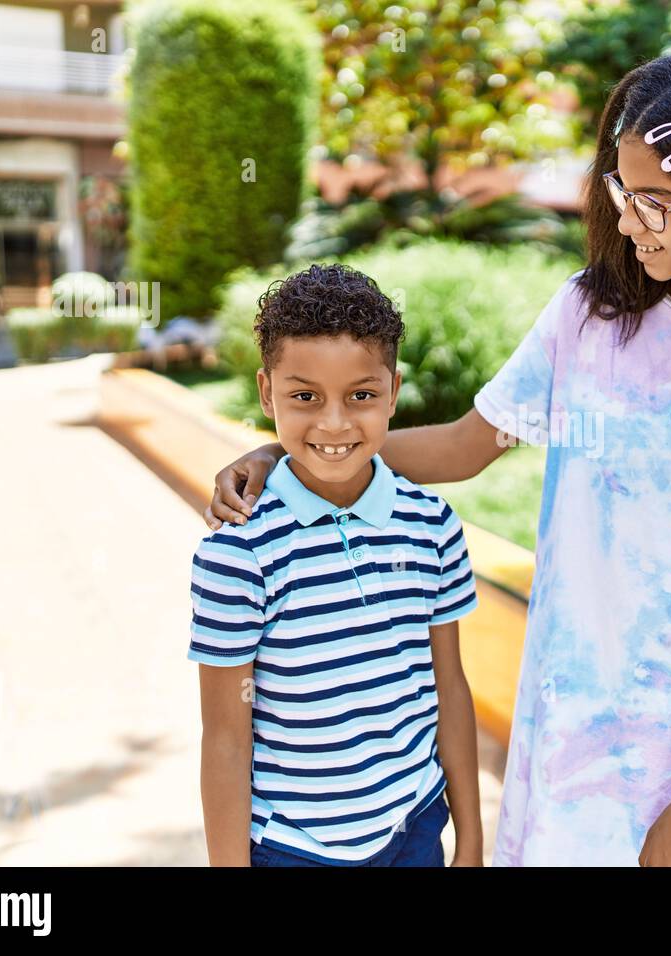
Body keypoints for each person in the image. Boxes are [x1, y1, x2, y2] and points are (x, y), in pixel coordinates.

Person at [205, 55, 671, 866]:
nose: (629, 221)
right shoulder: (591, 316)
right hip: (570, 740)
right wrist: (295, 452)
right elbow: (462, 446)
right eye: (621, 193)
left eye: (655, 202)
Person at [190, 264, 483, 867]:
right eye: (304, 397)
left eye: (362, 396)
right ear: (266, 391)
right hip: (293, 849)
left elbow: (448, 686)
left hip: (416, 825)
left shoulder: (432, 526)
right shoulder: (238, 553)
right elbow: (225, 736)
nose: (333, 423)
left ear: (394, 391)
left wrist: (472, 842)